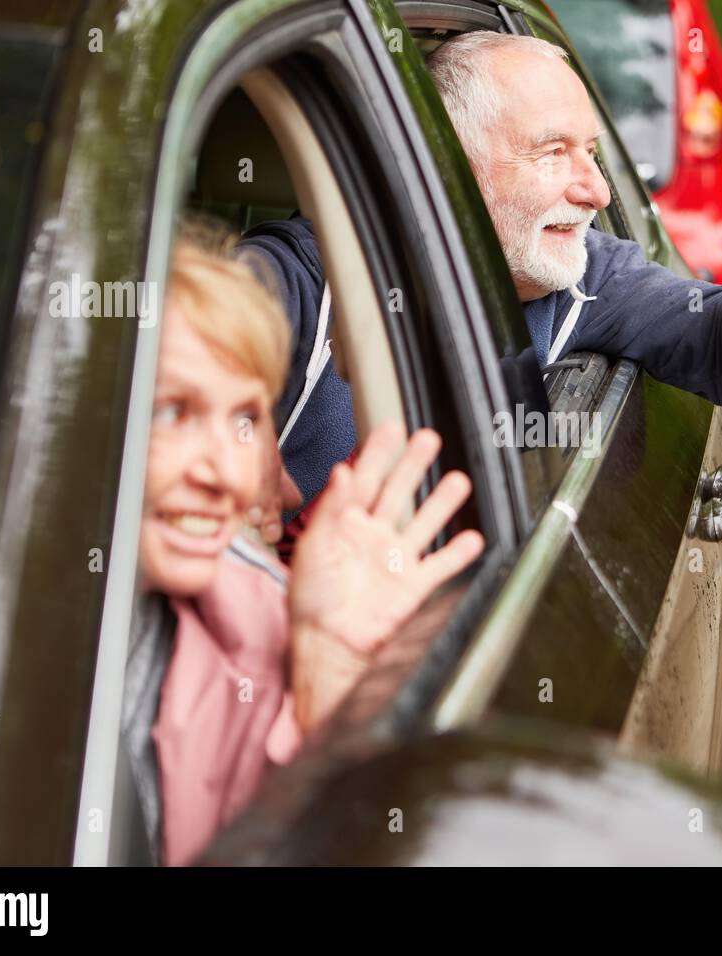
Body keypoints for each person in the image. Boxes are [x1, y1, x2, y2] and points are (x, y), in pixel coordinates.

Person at [240, 31, 722, 511]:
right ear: (443, 165)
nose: (597, 191)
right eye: (553, 152)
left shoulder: (587, 278)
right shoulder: (290, 285)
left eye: (592, 152)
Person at [122, 229, 484, 865]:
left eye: (245, 419)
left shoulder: (272, 621)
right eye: (173, 412)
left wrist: (323, 683)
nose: (227, 475)